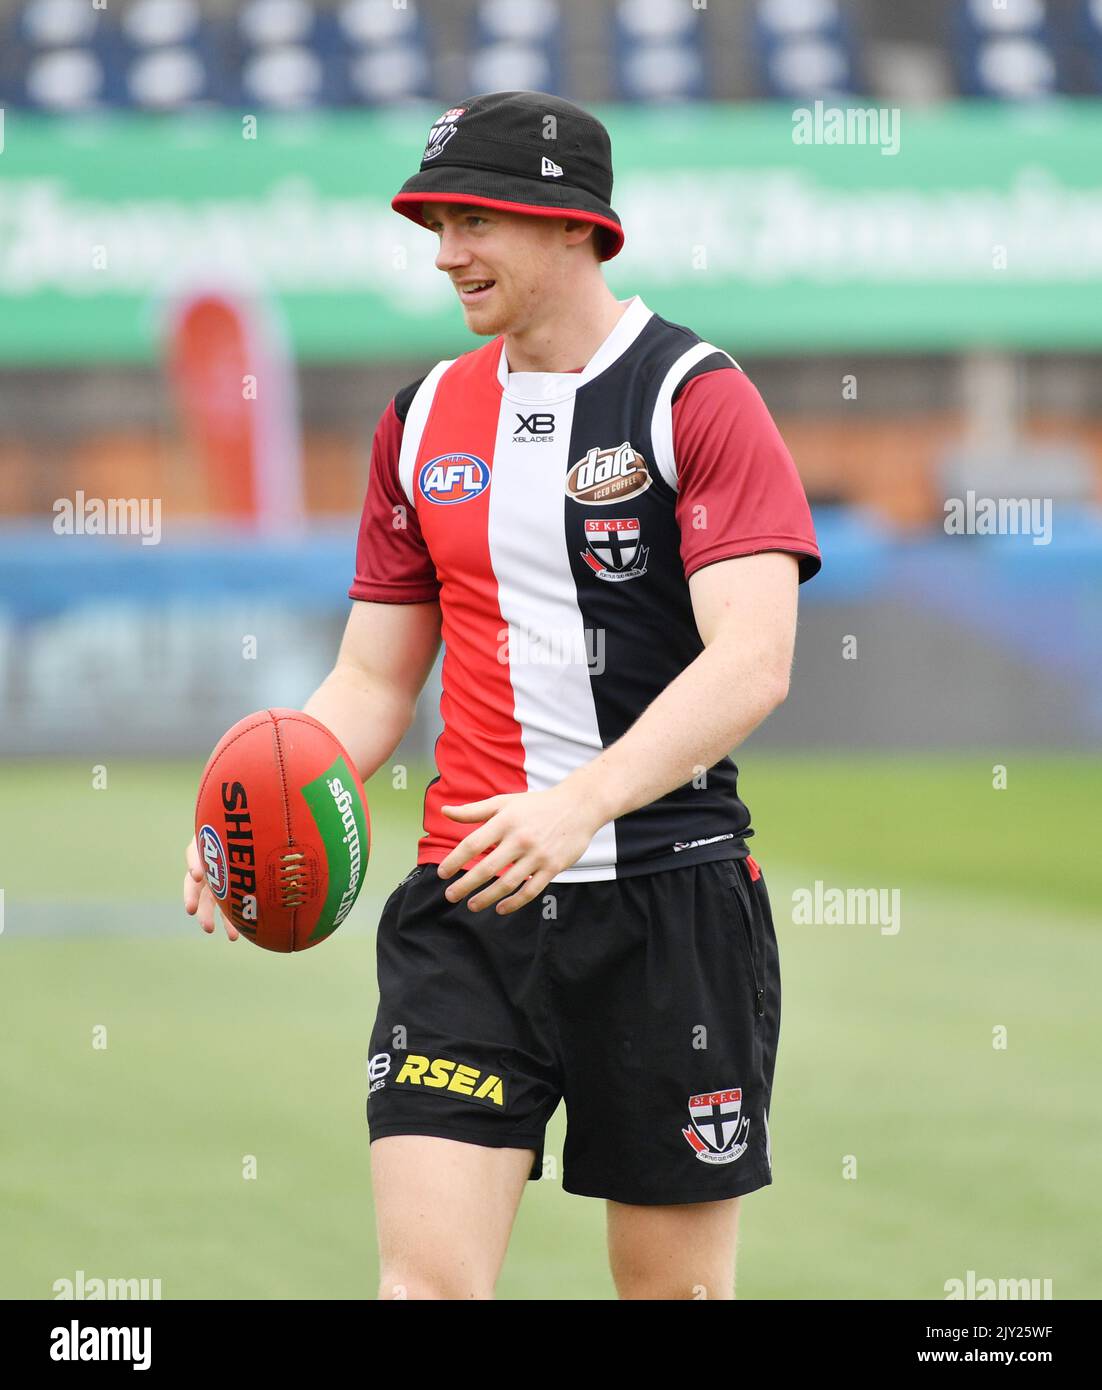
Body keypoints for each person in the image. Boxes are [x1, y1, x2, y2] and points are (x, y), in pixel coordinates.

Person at [185, 90, 821, 1300]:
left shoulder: (695, 396)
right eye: (433, 221)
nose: (444, 252)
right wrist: (247, 806)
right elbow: (374, 675)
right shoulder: (422, 416)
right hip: (467, 910)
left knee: (673, 1297)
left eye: (473, 218)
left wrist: (577, 804)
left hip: (665, 903)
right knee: (424, 1288)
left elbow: (754, 659)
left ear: (577, 224)